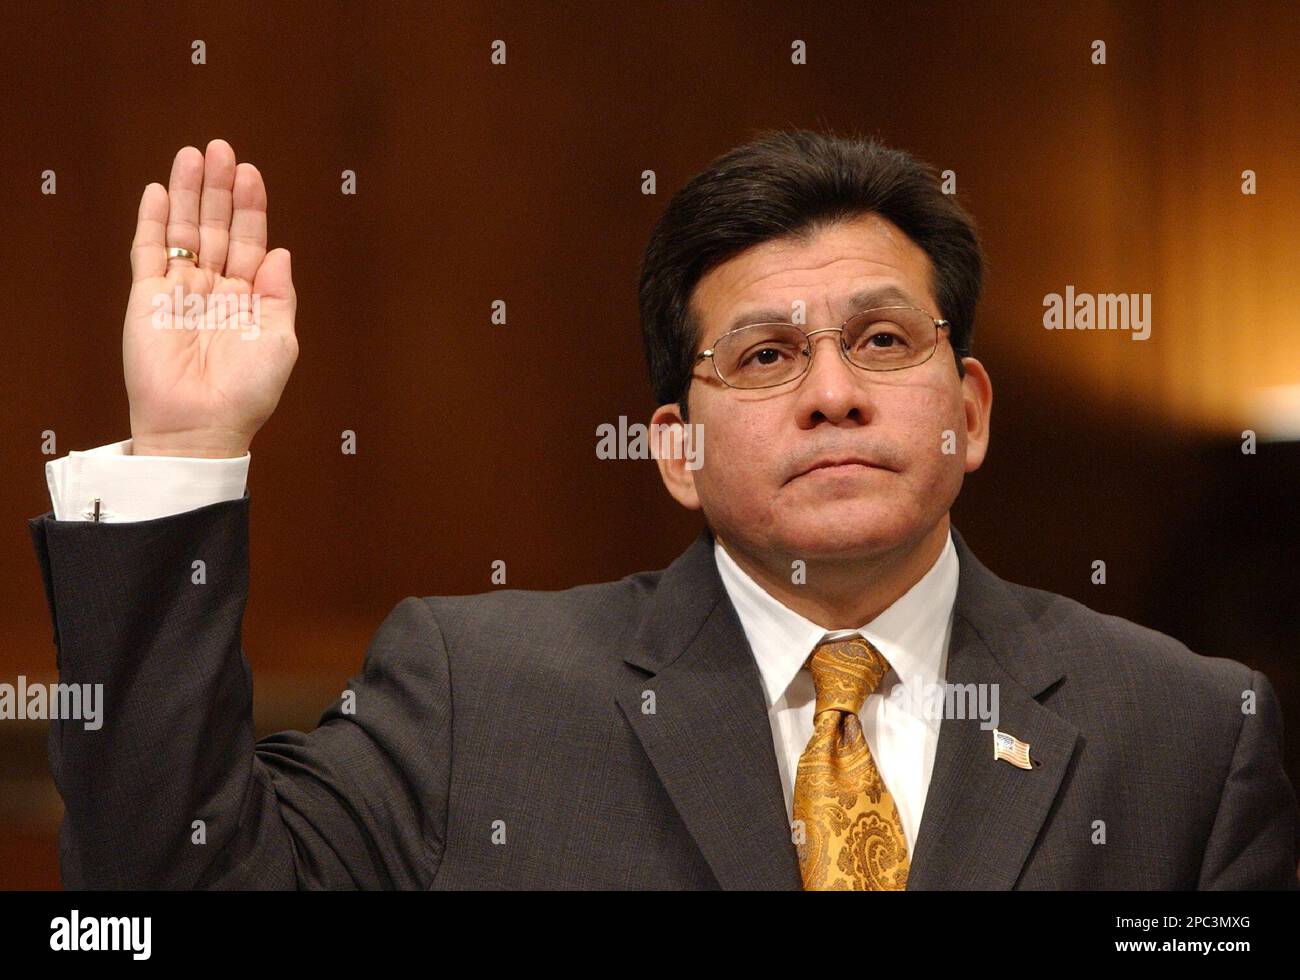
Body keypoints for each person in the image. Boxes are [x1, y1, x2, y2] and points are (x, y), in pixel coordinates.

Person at [28, 130, 1298, 889]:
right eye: (764, 356)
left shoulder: (1185, 732)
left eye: (881, 339)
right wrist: (184, 450)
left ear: (966, 409)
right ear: (676, 449)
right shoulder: (479, 695)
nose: (834, 394)